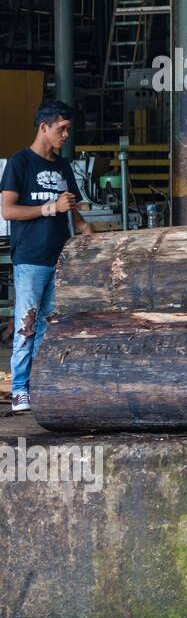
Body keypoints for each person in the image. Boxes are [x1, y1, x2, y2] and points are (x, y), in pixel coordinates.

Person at [1, 101, 93, 415]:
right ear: (44, 127)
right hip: (30, 257)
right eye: (61, 129)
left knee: (49, 326)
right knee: (26, 325)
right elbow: (8, 211)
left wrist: (83, 227)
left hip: (60, 257)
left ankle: (40, 385)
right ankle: (19, 390)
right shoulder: (20, 162)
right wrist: (50, 208)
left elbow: (72, 205)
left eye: (68, 129)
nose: (65, 135)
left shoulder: (63, 166)